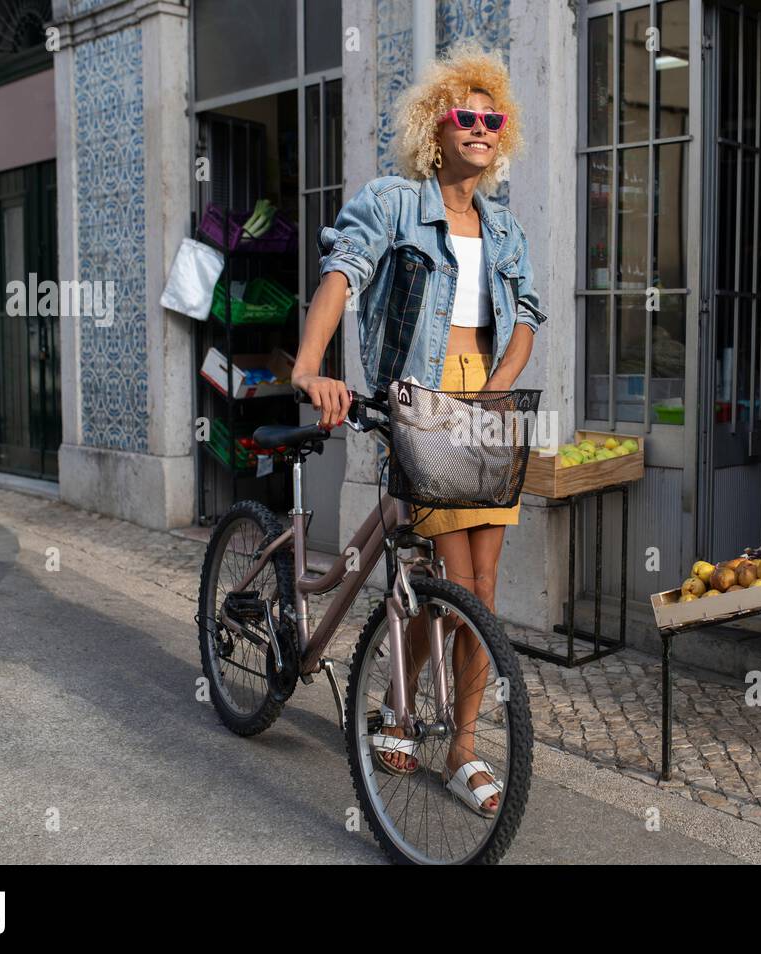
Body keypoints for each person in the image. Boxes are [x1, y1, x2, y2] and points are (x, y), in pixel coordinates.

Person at [291, 42, 546, 816]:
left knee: (485, 589)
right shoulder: (396, 202)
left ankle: (463, 746)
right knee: (445, 581)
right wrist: (311, 367)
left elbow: (528, 315)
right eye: (464, 115)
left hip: (485, 405)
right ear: (436, 128)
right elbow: (343, 272)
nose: (480, 126)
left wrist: (497, 393)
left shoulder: (502, 230)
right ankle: (401, 713)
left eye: (491, 117)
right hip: (422, 401)